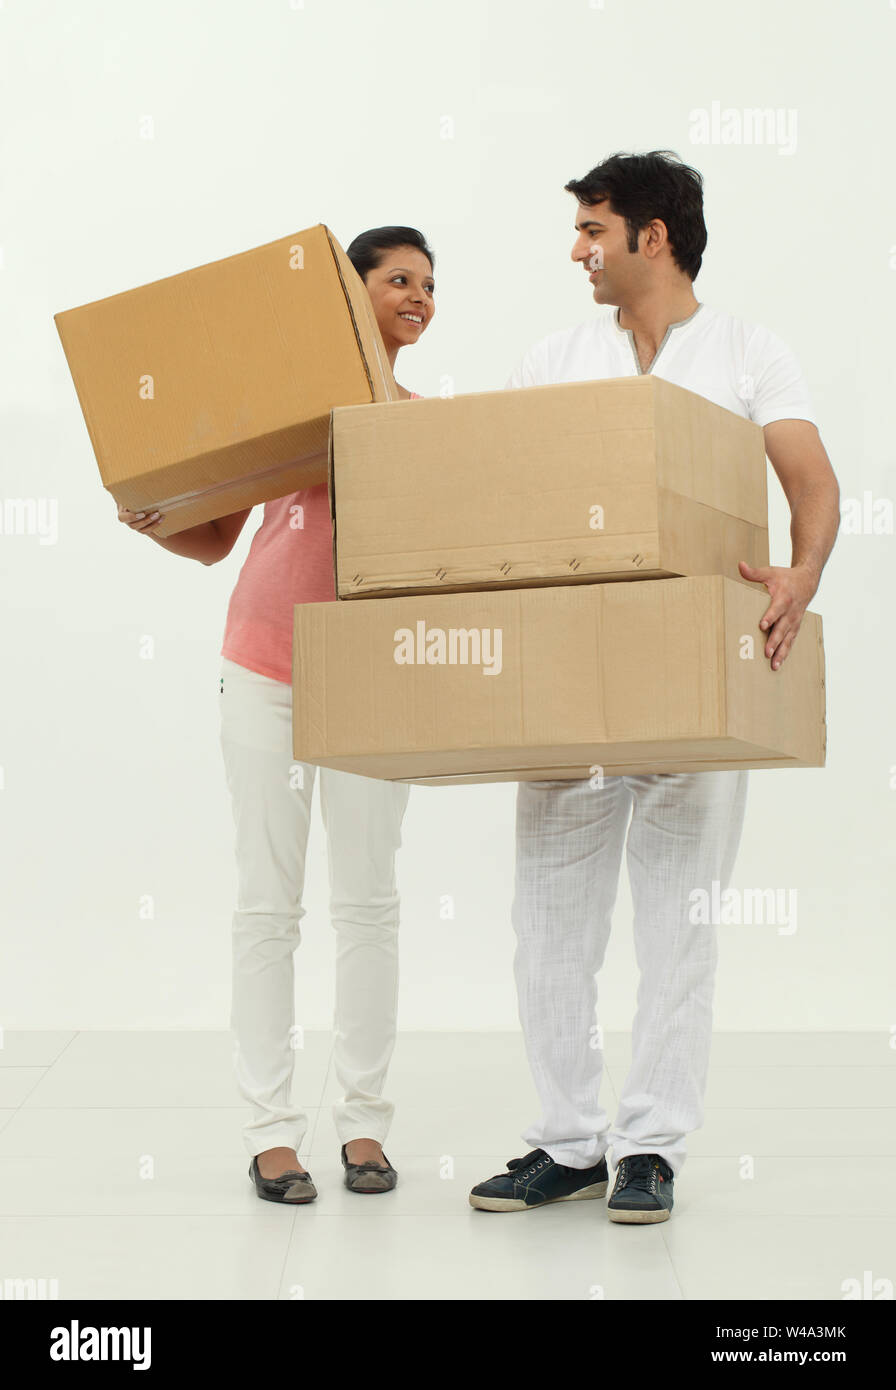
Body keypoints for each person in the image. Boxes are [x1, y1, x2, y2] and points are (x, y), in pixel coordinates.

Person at [469, 151, 840, 1224]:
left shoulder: (742, 351)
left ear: (653, 236)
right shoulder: (555, 356)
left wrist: (799, 574)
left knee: (678, 923)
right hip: (566, 675)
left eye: (592, 229)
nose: (575, 250)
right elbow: (498, 488)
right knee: (548, 922)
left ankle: (649, 1147)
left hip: (693, 677)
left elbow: (810, 483)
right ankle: (567, 1140)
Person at [118, 226, 435, 1203]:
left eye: (429, 284)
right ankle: (269, 1133)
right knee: (268, 904)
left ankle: (366, 1126)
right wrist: (151, 515)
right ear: (349, 295)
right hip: (263, 670)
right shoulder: (291, 408)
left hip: (373, 680)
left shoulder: (428, 425)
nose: (418, 295)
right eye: (396, 280)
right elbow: (212, 537)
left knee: (368, 904)